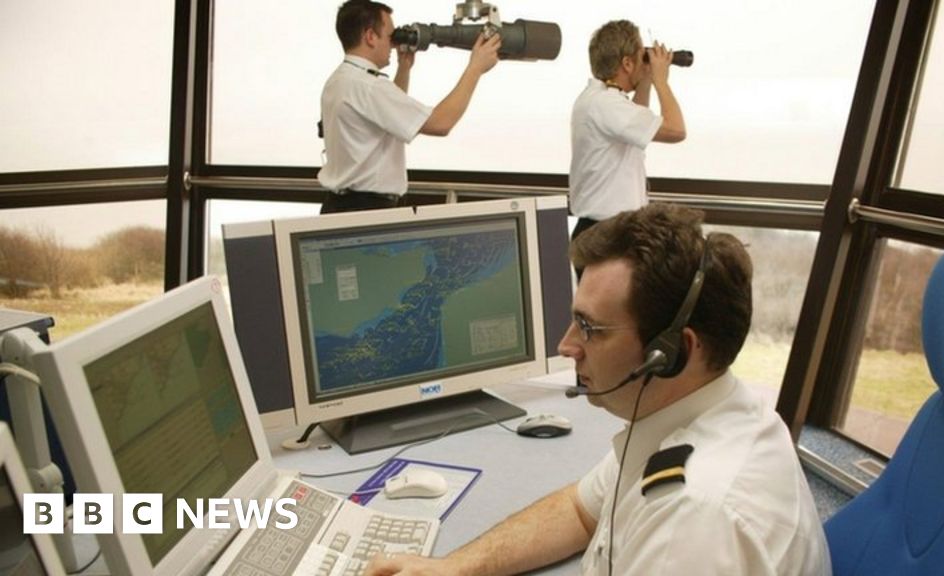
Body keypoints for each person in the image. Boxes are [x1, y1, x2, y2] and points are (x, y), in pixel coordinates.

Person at [365, 204, 831, 575]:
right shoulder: (693, 414)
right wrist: (454, 568)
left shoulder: (694, 521)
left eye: (591, 328)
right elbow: (580, 509)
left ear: (671, 354)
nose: (566, 346)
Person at [318, 0, 501, 214]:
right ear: (370, 37)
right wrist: (475, 68)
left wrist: (404, 68)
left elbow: (387, 119)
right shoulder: (368, 86)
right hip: (367, 209)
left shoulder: (340, 80)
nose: (394, 43)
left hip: (340, 206)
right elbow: (441, 123)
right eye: (390, 36)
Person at [569, 20, 686, 244]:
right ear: (627, 63)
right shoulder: (606, 104)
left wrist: (647, 78)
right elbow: (676, 130)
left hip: (604, 230)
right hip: (607, 233)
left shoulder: (601, 100)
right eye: (642, 56)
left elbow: (636, 124)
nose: (645, 63)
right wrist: (662, 81)